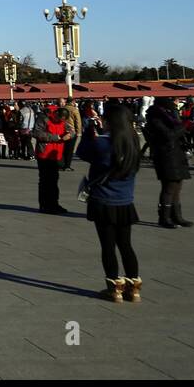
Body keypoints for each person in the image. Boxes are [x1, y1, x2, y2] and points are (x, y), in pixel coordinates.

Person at [78, 103, 143, 303]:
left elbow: (82, 152)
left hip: (103, 201)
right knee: (126, 244)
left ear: (110, 122)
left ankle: (114, 288)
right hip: (125, 201)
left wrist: (89, 131)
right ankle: (134, 289)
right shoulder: (133, 142)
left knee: (108, 246)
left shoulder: (103, 144)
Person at [144, 97, 192, 228]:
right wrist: (184, 126)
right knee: (169, 187)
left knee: (177, 186)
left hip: (176, 155)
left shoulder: (168, 117)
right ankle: (164, 217)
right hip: (166, 155)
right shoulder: (155, 119)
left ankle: (177, 216)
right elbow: (169, 136)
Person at [33, 103, 73, 214]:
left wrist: (70, 135)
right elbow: (36, 133)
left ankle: (54, 204)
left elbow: (71, 130)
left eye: (62, 121)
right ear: (55, 114)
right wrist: (57, 137)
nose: (60, 122)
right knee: (45, 180)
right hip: (44, 154)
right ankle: (44, 205)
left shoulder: (63, 120)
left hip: (56, 154)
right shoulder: (43, 118)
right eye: (58, 119)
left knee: (54, 180)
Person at [59, 97, 83, 170]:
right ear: (73, 102)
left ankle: (62, 164)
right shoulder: (74, 110)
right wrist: (79, 132)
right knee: (70, 150)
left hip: (62, 130)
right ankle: (67, 165)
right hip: (72, 131)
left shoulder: (62, 109)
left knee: (63, 148)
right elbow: (78, 121)